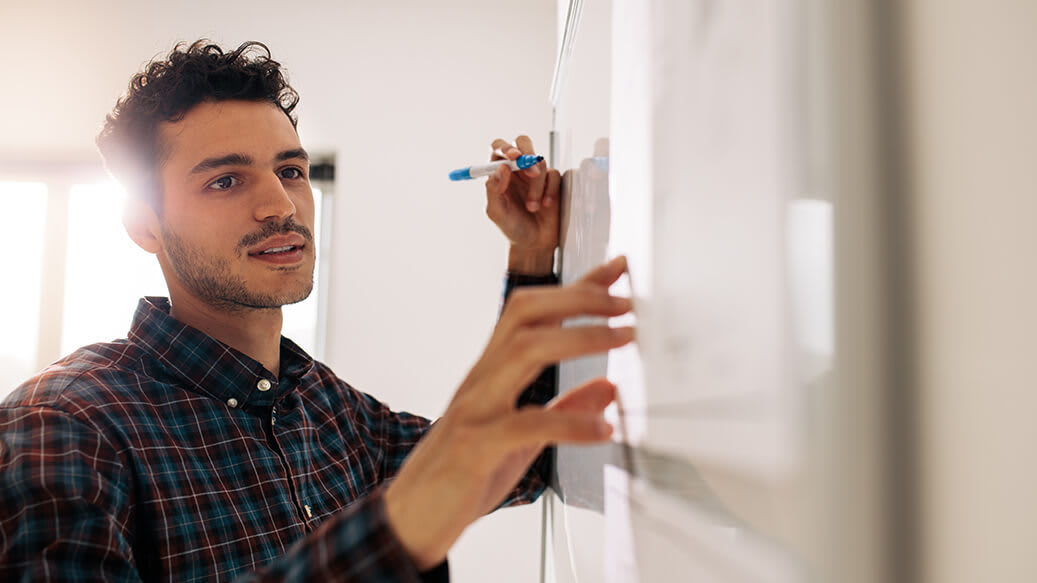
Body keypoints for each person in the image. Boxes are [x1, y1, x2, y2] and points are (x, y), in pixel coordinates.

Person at [0, 40, 633, 582]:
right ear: (145, 224)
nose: (281, 205)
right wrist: (392, 533)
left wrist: (530, 250)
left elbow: (524, 456)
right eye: (225, 180)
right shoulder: (63, 425)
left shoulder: (330, 410)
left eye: (292, 170)